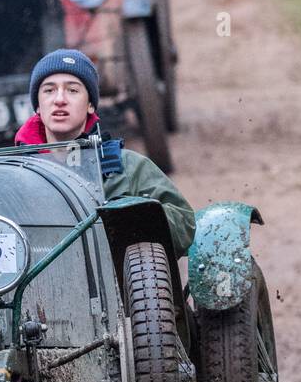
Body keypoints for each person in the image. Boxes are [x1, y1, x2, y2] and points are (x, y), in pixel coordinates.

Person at [16, 49, 194, 255]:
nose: (60, 99)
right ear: (37, 105)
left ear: (90, 104)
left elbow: (186, 227)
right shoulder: (14, 175)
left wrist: (139, 218)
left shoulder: (127, 167)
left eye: (72, 90)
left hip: (117, 284)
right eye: (49, 90)